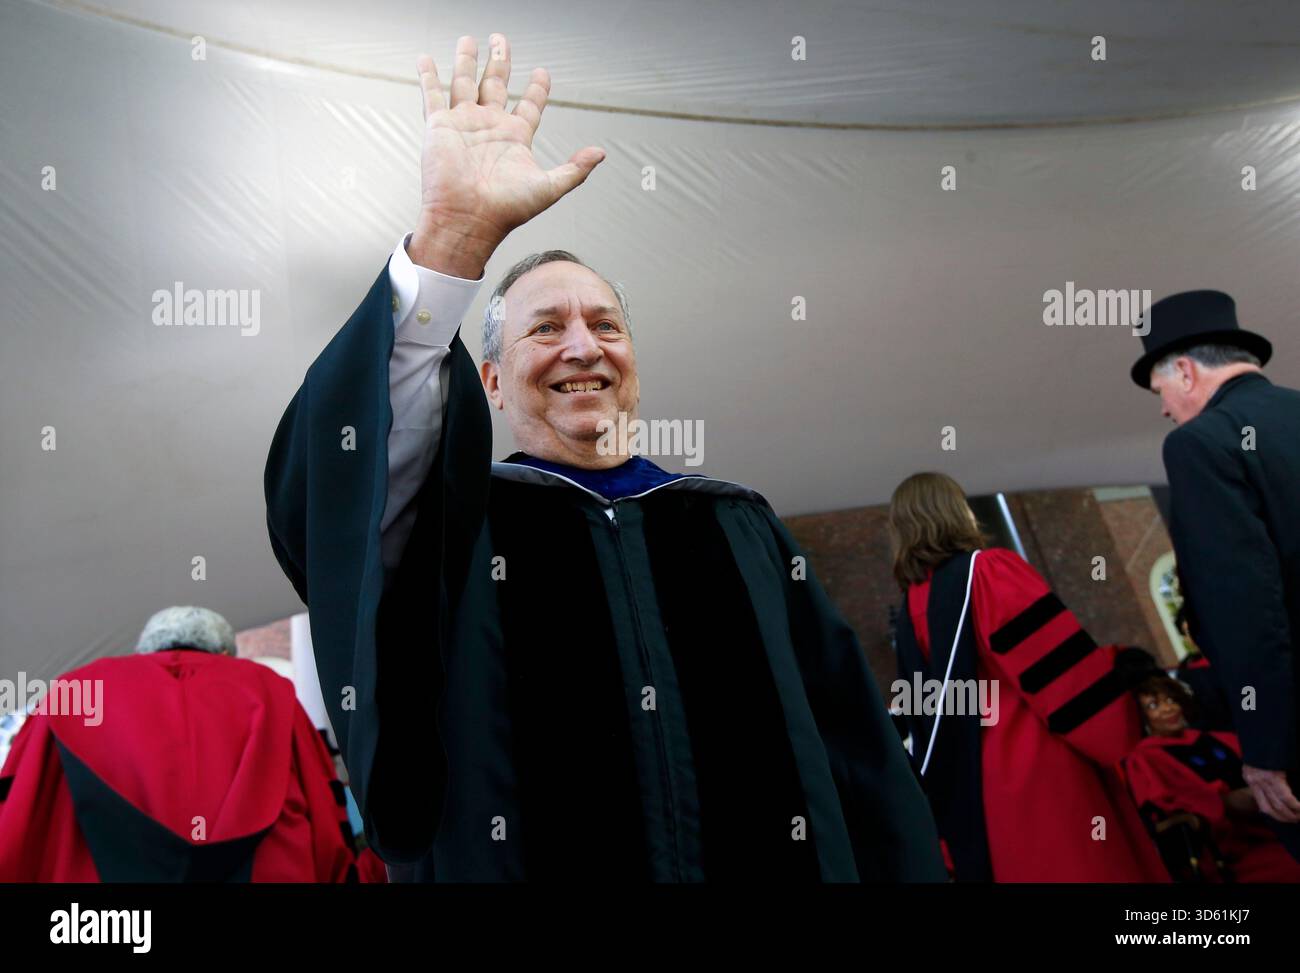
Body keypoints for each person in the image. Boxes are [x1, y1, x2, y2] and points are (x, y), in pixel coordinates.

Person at [263, 34, 944, 883]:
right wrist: (448, 245)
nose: (581, 345)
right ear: (491, 381)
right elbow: (328, 507)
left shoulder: (737, 523)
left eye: (605, 324)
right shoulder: (456, 531)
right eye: (545, 327)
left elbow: (860, 757)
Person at [889, 472, 1168, 882]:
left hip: (984, 787)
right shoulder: (988, 572)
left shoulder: (913, 606)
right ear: (955, 512)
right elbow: (1059, 672)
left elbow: (928, 712)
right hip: (1040, 765)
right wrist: (1120, 711)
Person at [0, 607, 358, 882]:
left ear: (144, 648)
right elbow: (325, 809)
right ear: (225, 651)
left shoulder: (74, 691)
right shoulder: (269, 690)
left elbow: (19, 808)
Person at [1132, 289, 1300, 859]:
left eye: (1159, 391)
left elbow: (1245, 604)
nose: (1163, 409)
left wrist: (1266, 747)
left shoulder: (1201, 443)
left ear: (1183, 370)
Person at [1121, 673, 1300, 882]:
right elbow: (1170, 808)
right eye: (1153, 706)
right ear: (1141, 717)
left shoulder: (1217, 738)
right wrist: (1228, 800)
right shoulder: (1145, 758)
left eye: (1170, 700)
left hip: (1277, 825)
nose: (1167, 708)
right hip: (1231, 847)